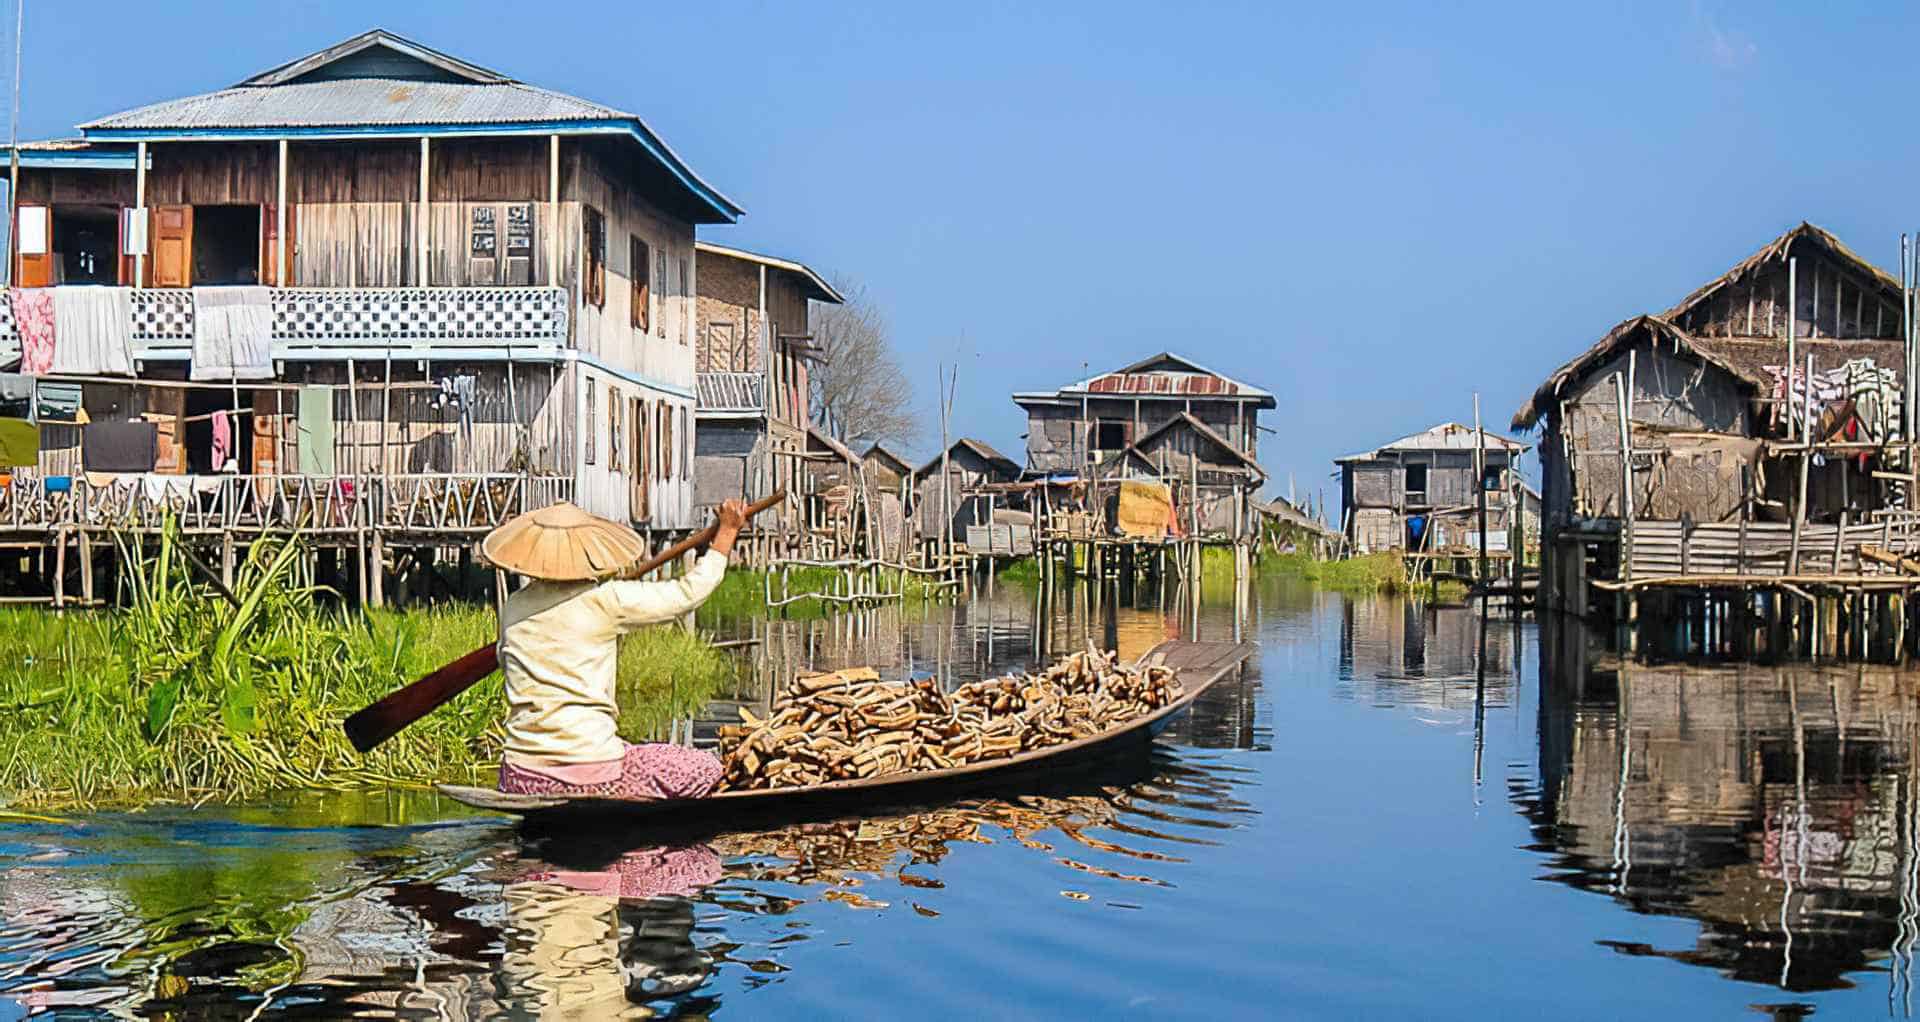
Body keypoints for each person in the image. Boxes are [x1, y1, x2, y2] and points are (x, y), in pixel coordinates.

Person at [482, 498, 749, 799]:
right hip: (589, 770)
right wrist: (727, 533)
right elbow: (688, 593)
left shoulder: (514, 606)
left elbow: (505, 659)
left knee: (626, 751)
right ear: (587, 554)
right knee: (706, 766)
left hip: (519, 774)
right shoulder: (606, 600)